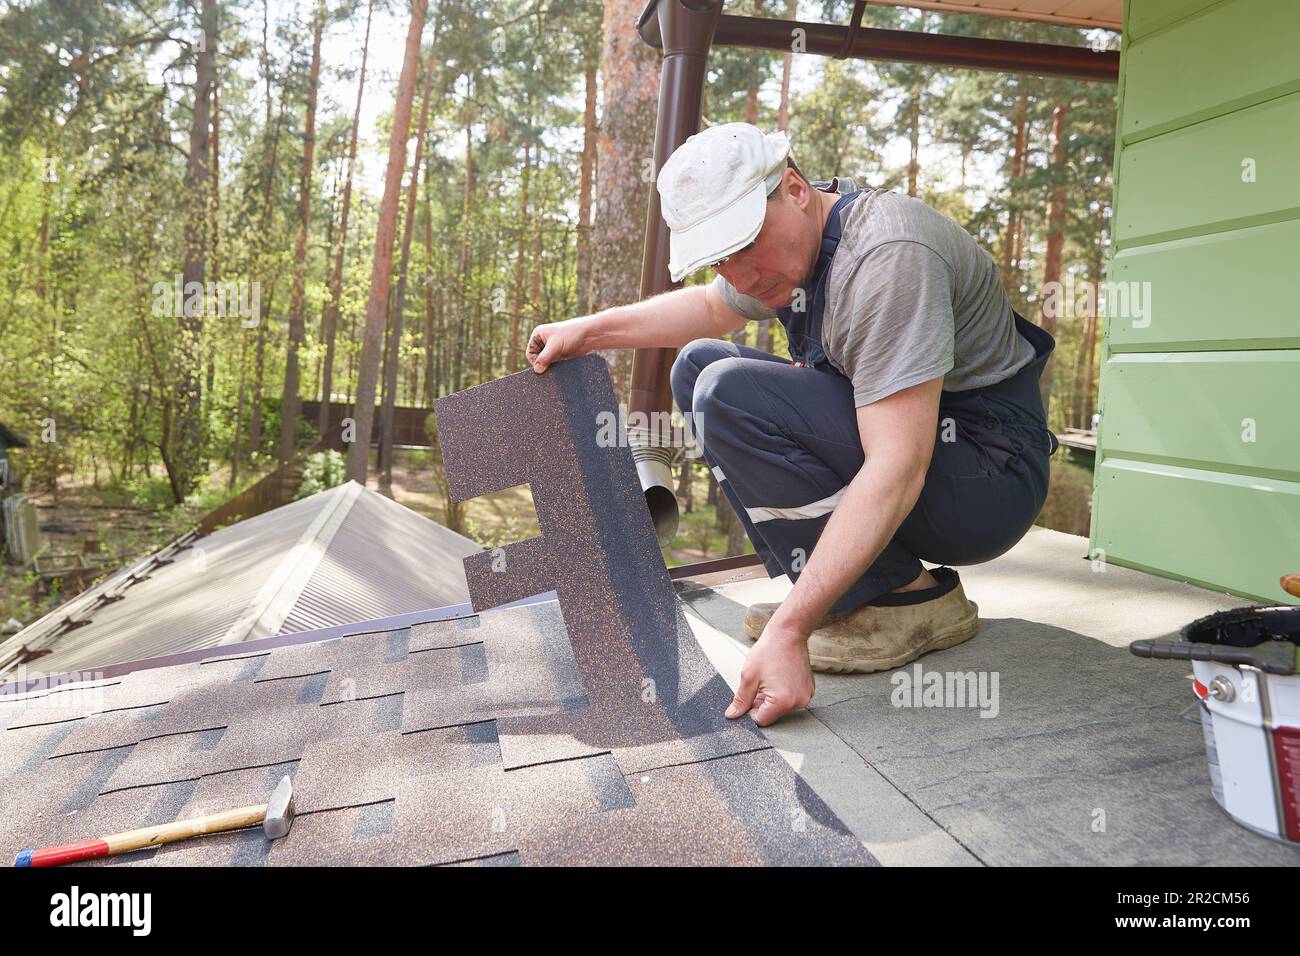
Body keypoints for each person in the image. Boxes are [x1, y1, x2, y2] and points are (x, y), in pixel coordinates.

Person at [525, 122, 1059, 727]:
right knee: (700, 364)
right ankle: (858, 595)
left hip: (985, 479)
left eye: (744, 245)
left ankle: (907, 600)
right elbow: (708, 308)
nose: (742, 276)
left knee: (728, 392)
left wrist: (789, 629)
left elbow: (898, 465)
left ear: (795, 189)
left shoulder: (885, 258)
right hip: (929, 457)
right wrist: (586, 331)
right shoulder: (790, 249)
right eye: (720, 257)